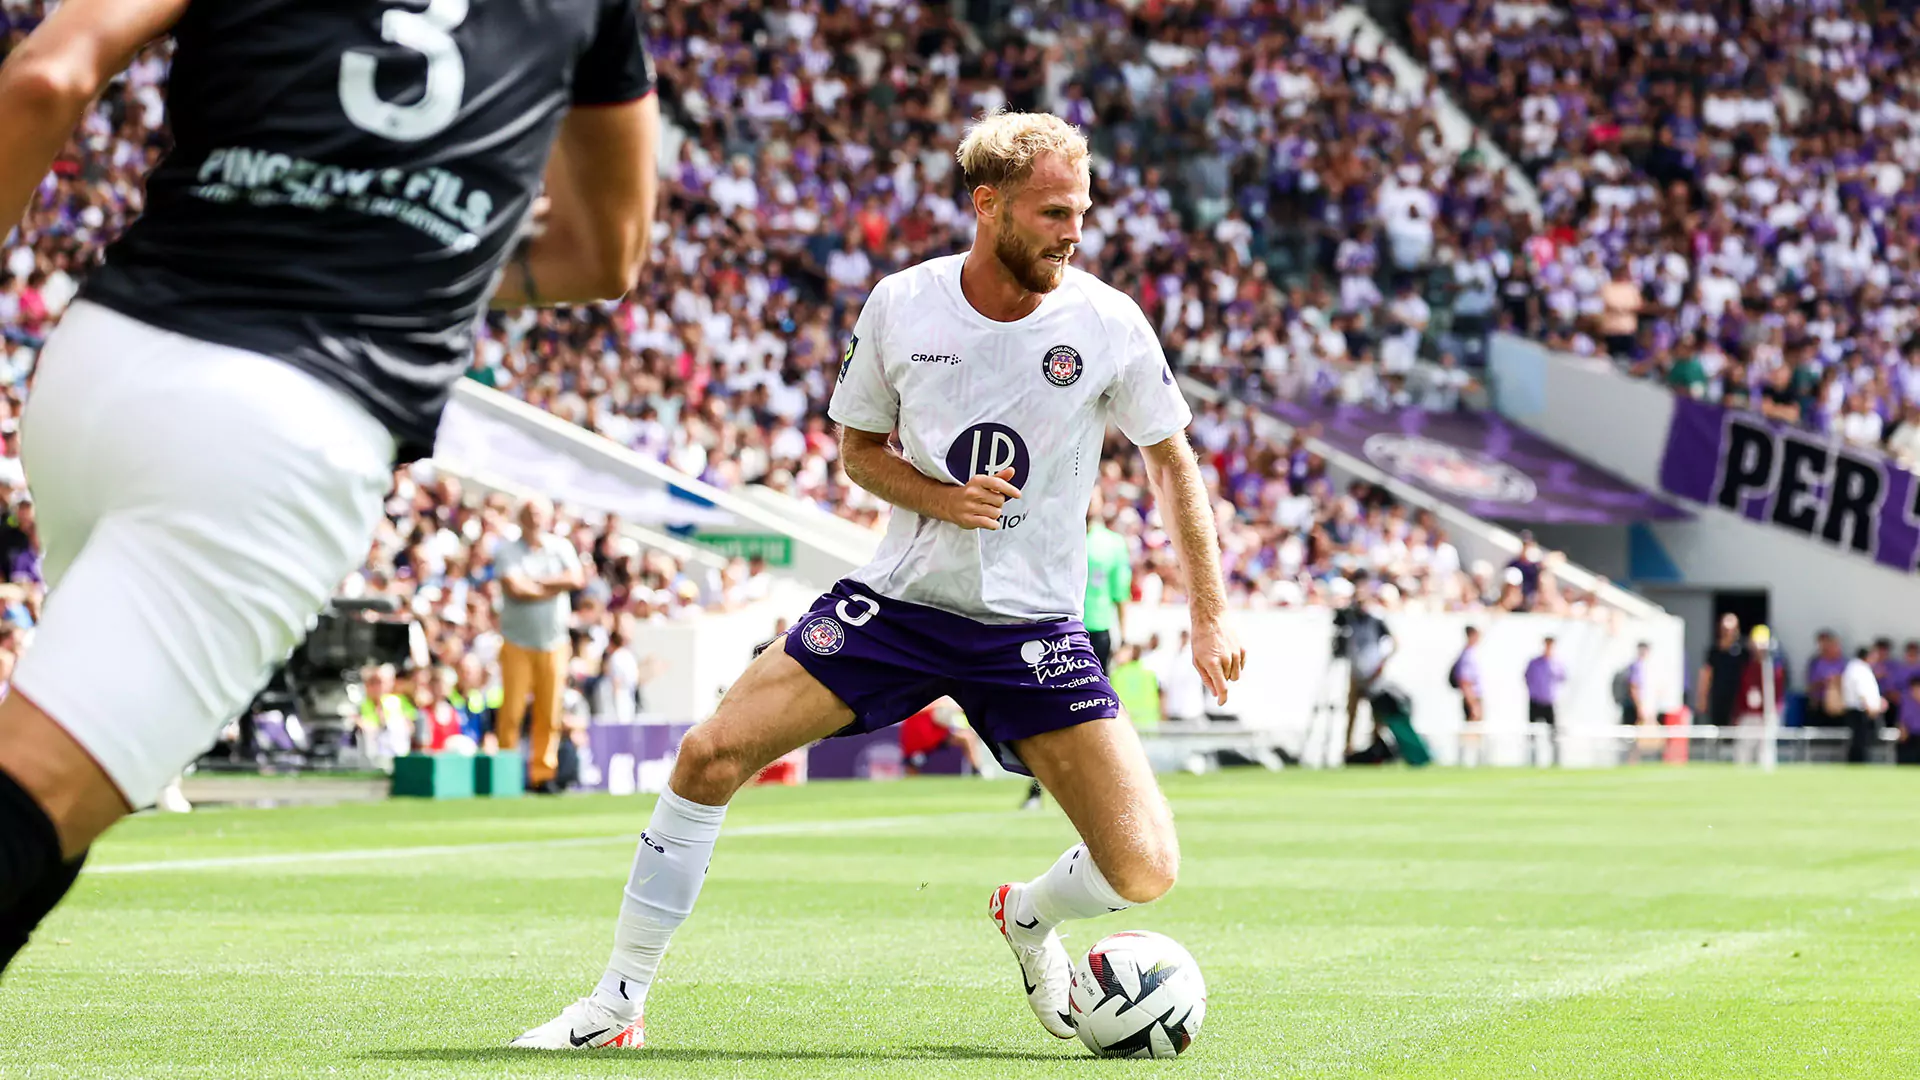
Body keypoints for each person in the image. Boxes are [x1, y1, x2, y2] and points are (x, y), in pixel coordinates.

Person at [515, 111, 1245, 1051]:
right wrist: (942, 498)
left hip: (1031, 630)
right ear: (987, 205)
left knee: (1145, 869)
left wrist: (1208, 613)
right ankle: (617, 1004)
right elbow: (858, 451)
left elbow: (1172, 462)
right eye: (1054, 213)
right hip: (898, 607)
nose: (1075, 232)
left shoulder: (1107, 321)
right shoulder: (903, 304)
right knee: (708, 755)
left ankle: (1028, 915)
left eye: (1082, 211)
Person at [0, 0, 659, 975]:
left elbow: (45, 76)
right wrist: (399, 254)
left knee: (71, 781)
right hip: (281, 427)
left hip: (97, 362)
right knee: (40, 795)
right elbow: (606, 255)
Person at [1023, 489, 1131, 810]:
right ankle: (1038, 786)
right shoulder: (1053, 534)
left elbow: (1120, 593)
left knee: (1100, 712)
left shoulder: (1112, 544)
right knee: (1046, 709)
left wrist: (1124, 636)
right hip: (1057, 629)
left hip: (1096, 631)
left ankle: (1109, 784)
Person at [494, 497, 587, 794]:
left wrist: (535, 583)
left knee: (549, 713)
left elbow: (576, 578)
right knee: (512, 711)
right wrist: (553, 586)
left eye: (539, 513)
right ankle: (506, 771)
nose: (535, 518)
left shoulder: (560, 547)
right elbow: (515, 588)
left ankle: (543, 774)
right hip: (517, 641)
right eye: (530, 513)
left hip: (554, 642)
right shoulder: (507, 550)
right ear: (521, 517)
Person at [1696, 614, 1747, 730]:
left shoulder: (1742, 652)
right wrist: (1702, 699)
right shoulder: (1714, 652)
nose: (1728, 633)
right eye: (1725, 629)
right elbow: (1706, 675)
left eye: (1730, 630)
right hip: (1717, 698)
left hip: (1736, 700)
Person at [1524, 637, 1566, 766]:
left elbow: (1562, 678)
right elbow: (1527, 678)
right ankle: (1532, 761)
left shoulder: (1557, 663)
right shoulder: (1534, 663)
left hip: (1549, 702)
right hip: (1536, 701)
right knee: (1532, 733)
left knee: (1553, 734)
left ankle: (1555, 762)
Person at [1842, 644, 1887, 764]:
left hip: (1862, 710)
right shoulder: (1859, 669)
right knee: (1860, 741)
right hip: (1861, 711)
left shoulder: (1857, 668)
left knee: (1862, 740)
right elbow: (1861, 691)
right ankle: (1858, 764)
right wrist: (1870, 707)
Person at [1451, 626, 1484, 765]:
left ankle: (1473, 760)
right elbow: (1465, 682)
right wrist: (1473, 704)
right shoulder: (1467, 656)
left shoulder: (1470, 654)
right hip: (1472, 698)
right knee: (1472, 730)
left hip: (1473, 697)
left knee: (1475, 730)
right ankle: (1468, 760)